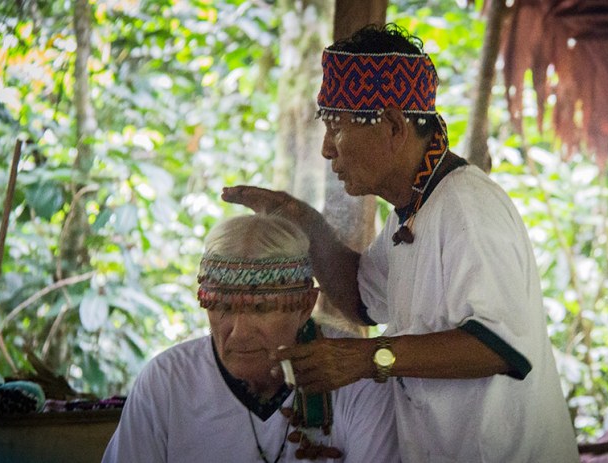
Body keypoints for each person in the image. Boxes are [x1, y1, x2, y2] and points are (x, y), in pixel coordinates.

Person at [222, 23, 579, 462]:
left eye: (337, 127)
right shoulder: (413, 212)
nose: (327, 149)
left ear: (392, 125)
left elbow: (499, 346)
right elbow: (361, 299)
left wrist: (367, 358)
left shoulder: (467, 207)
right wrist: (298, 218)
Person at [102, 214, 399, 462]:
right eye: (223, 306)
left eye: (261, 308)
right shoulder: (167, 381)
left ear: (305, 306)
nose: (240, 332)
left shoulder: (356, 380)